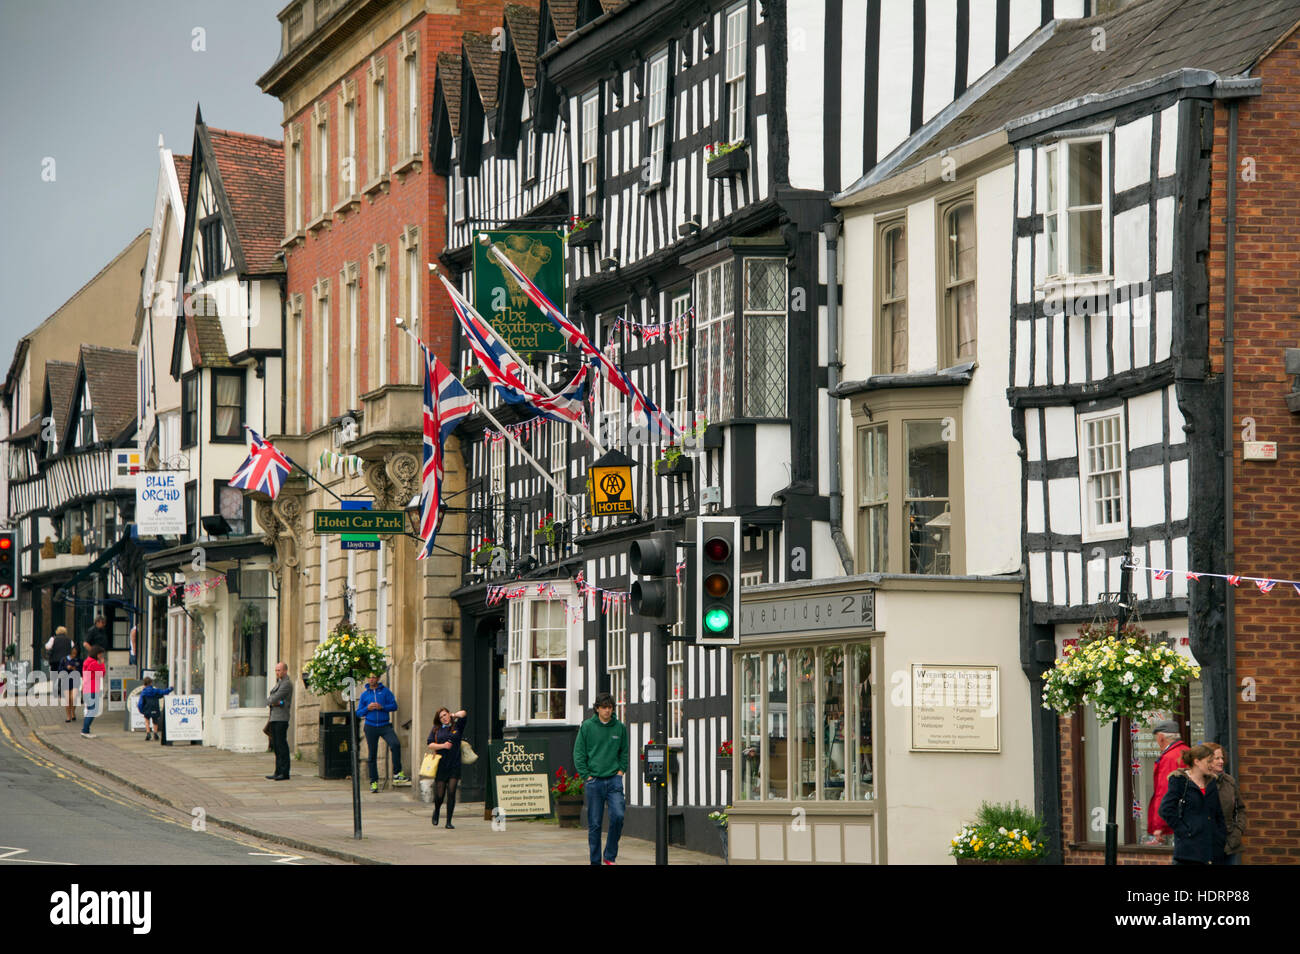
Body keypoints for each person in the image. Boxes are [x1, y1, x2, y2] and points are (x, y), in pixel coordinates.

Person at [574, 691, 629, 866]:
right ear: (597, 708)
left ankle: (610, 856)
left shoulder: (619, 728)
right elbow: (579, 753)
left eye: (610, 707)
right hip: (594, 781)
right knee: (595, 824)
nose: (607, 711)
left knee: (618, 816)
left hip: (614, 780)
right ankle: (595, 861)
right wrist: (586, 776)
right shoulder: (587, 727)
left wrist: (621, 771)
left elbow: (624, 752)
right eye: (604, 707)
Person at [1159, 743, 1228, 864]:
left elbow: (1218, 813)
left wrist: (1220, 836)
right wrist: (1185, 831)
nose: (1212, 765)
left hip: (1212, 851)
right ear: (1197, 761)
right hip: (1189, 852)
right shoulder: (1179, 781)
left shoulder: (1212, 782)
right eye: (1209, 761)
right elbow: (1166, 809)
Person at [356, 673, 409, 793]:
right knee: (372, 755)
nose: (371, 679)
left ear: (378, 679)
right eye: (369, 677)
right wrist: (367, 709)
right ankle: (373, 782)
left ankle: (397, 773)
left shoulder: (385, 692)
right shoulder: (365, 695)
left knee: (395, 744)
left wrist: (382, 707)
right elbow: (358, 713)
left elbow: (394, 706)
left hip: (385, 725)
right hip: (370, 726)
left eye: (374, 677)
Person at [1146, 718, 1188, 843]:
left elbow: (1164, 791)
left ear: (1161, 737)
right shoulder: (1187, 751)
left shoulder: (1169, 757)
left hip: (1173, 820)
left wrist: (1159, 825)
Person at [427, 707, 467, 828]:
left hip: (454, 763)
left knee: (451, 792)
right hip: (441, 764)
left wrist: (454, 715)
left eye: (445, 715)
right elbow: (430, 744)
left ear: (449, 714)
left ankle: (449, 821)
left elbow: (464, 713)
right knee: (439, 795)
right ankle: (437, 810)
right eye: (441, 717)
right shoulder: (436, 729)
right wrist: (443, 745)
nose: (443, 718)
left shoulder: (457, 726)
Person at [1207, 742, 1247, 864]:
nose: (1221, 761)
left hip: (1229, 845)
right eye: (1217, 758)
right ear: (1206, 761)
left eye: (1222, 758)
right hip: (1206, 846)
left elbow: (1240, 809)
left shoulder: (1229, 781)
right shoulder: (1199, 783)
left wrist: (1237, 831)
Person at [266, 661, 293, 780]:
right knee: (276, 745)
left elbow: (276, 698)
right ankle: (277, 771)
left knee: (282, 745)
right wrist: (274, 701)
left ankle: (284, 772)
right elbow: (273, 700)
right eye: (276, 670)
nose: (277, 672)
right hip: (274, 717)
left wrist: (274, 701)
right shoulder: (280, 682)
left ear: (285, 671)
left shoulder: (286, 683)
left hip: (281, 718)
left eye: (279, 670)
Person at [79, 645, 106, 738]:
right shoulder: (94, 663)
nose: (102, 656)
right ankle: (85, 731)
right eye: (101, 654)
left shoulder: (87, 661)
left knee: (91, 710)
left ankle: (86, 730)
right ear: (97, 654)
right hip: (93, 688)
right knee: (93, 710)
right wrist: (102, 663)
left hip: (87, 688)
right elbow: (102, 674)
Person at [137, 676, 172, 741]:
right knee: (155, 721)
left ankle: (148, 733)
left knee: (147, 721)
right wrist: (170, 689)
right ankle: (155, 733)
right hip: (155, 707)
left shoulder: (143, 692)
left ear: (144, 684)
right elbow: (163, 692)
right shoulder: (155, 691)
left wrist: (141, 710)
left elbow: (140, 703)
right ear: (151, 683)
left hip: (147, 708)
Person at [56, 644, 81, 722]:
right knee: (67, 699)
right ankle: (68, 716)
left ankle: (73, 712)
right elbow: (59, 670)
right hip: (66, 681)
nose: (74, 654)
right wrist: (66, 668)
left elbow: (81, 671)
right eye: (73, 652)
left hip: (75, 681)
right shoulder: (64, 659)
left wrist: (74, 669)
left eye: (75, 653)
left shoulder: (79, 660)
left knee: (73, 698)